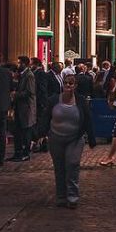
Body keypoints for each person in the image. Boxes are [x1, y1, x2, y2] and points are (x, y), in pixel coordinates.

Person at [48, 70, 96, 209]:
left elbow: (87, 120)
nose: (68, 85)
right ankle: (61, 196)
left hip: (75, 139)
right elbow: (46, 117)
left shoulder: (80, 101)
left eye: (71, 83)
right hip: (56, 138)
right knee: (59, 167)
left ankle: (72, 196)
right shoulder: (53, 100)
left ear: (75, 86)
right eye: (66, 83)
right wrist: (39, 134)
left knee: (72, 164)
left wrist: (91, 139)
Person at [12, 55, 36, 160]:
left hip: (26, 108)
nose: (18, 65)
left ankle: (25, 153)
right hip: (19, 107)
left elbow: (30, 92)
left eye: (19, 63)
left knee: (26, 131)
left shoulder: (29, 75)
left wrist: (15, 94)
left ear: (24, 64)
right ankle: (17, 153)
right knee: (17, 131)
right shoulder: (22, 75)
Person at [32, 56, 50, 151]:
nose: (30, 66)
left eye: (31, 64)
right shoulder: (36, 73)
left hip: (40, 103)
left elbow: (42, 89)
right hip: (37, 102)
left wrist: (42, 102)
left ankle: (42, 143)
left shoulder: (40, 73)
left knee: (40, 123)